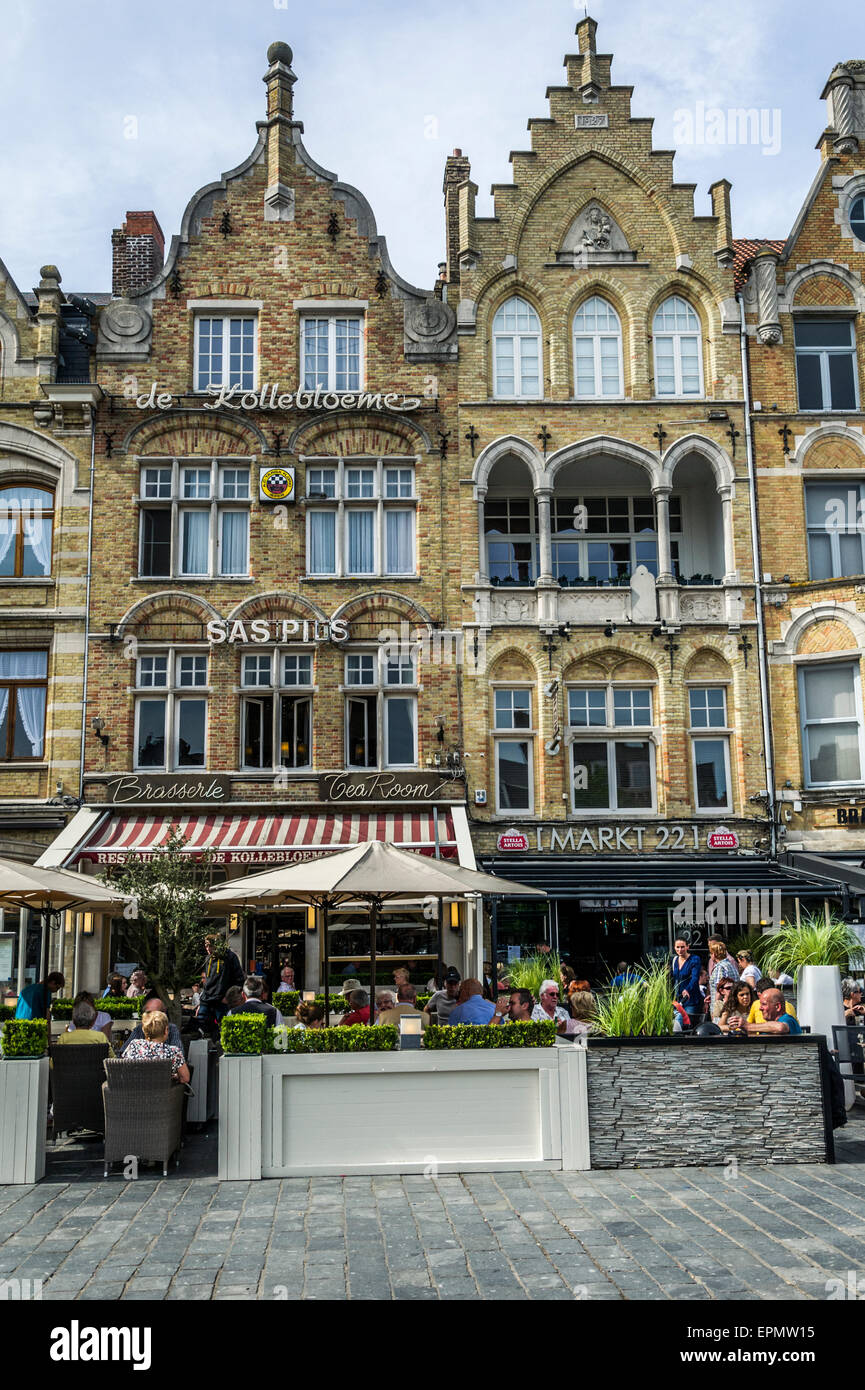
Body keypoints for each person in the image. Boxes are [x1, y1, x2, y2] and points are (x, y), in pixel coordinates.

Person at [196, 934, 244, 1035]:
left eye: (210, 946)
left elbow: (239, 980)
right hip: (207, 999)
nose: (207, 948)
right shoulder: (208, 958)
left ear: (217, 945)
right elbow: (208, 981)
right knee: (201, 1024)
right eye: (206, 946)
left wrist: (229, 997)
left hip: (222, 1000)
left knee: (223, 1029)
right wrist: (201, 1001)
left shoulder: (230, 957)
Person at [123, 1010, 190, 1082]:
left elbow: (124, 1068)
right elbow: (185, 1078)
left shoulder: (134, 1045)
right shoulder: (174, 1052)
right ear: (166, 1030)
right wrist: (175, 1077)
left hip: (133, 1088)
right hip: (161, 1089)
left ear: (144, 1030)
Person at [671, 937, 702, 1027]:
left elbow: (695, 978)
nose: (680, 950)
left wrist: (687, 989)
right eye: (677, 947)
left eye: (682, 947)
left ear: (687, 947)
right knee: (676, 1024)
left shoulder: (694, 959)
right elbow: (673, 979)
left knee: (685, 1024)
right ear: (674, 947)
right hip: (678, 999)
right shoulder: (674, 960)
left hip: (690, 998)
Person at [707, 937, 738, 1013]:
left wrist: (715, 1010)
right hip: (731, 1005)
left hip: (722, 1008)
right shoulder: (730, 965)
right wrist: (712, 996)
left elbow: (719, 990)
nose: (710, 955)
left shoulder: (720, 967)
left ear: (714, 954)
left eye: (711, 953)